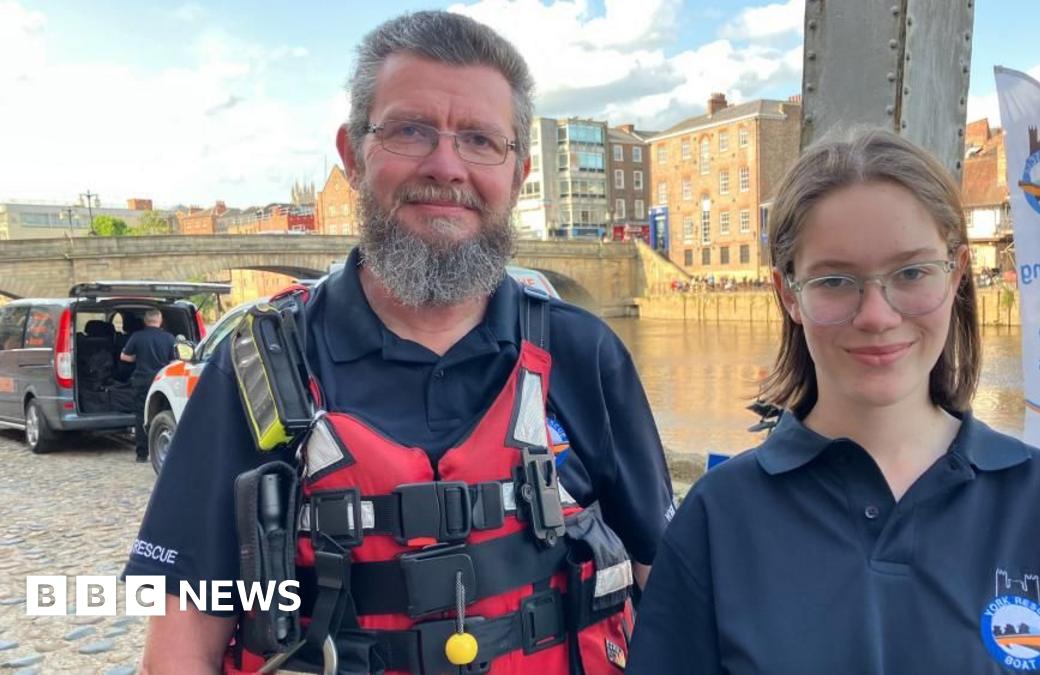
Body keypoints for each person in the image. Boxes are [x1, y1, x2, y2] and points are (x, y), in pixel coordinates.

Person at [126, 11, 674, 674]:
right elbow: (180, 654)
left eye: (479, 140)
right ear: (353, 154)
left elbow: (666, 594)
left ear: (519, 172)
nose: (447, 166)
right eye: (412, 130)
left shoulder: (585, 356)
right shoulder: (254, 372)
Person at [627, 129, 1040, 674]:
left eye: (911, 272)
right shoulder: (718, 520)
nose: (877, 315)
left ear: (956, 275)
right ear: (788, 294)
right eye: (836, 280)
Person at [119, 308, 177, 462]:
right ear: (160, 320)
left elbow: (124, 356)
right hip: (163, 382)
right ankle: (162, 450)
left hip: (142, 381)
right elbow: (174, 362)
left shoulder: (137, 336)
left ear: (146, 321)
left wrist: (137, 357)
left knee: (140, 416)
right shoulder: (170, 338)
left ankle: (142, 454)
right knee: (163, 415)